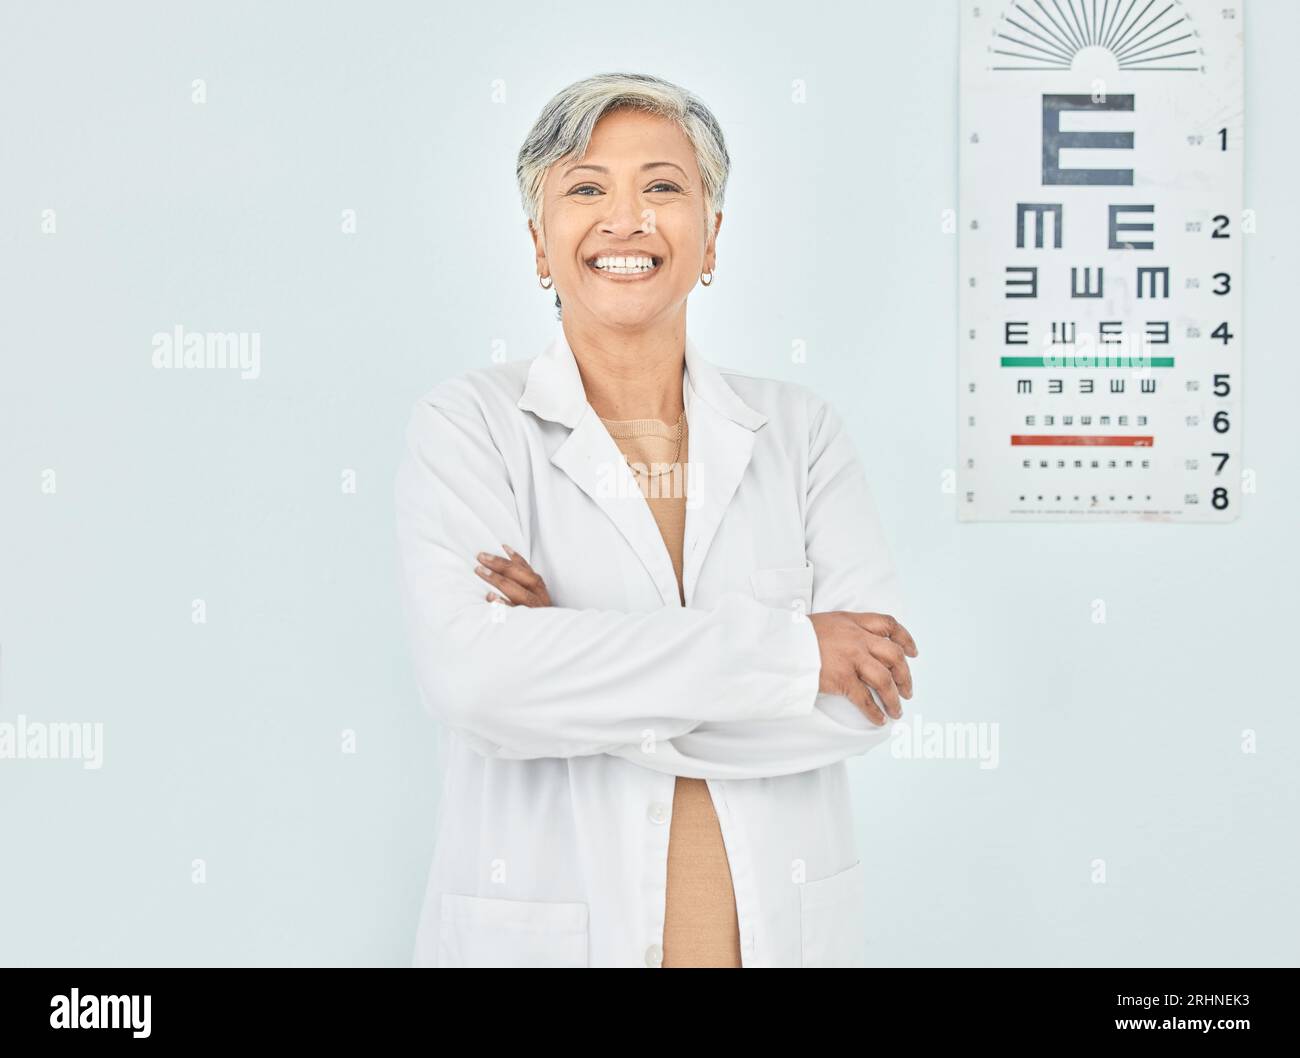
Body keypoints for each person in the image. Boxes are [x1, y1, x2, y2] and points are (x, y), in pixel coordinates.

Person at [396, 72, 918, 968]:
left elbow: (867, 700)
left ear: (712, 235)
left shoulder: (801, 433)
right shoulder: (469, 424)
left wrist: (567, 654)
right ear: (538, 242)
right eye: (586, 188)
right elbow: (477, 685)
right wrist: (794, 654)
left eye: (664, 187)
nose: (626, 219)